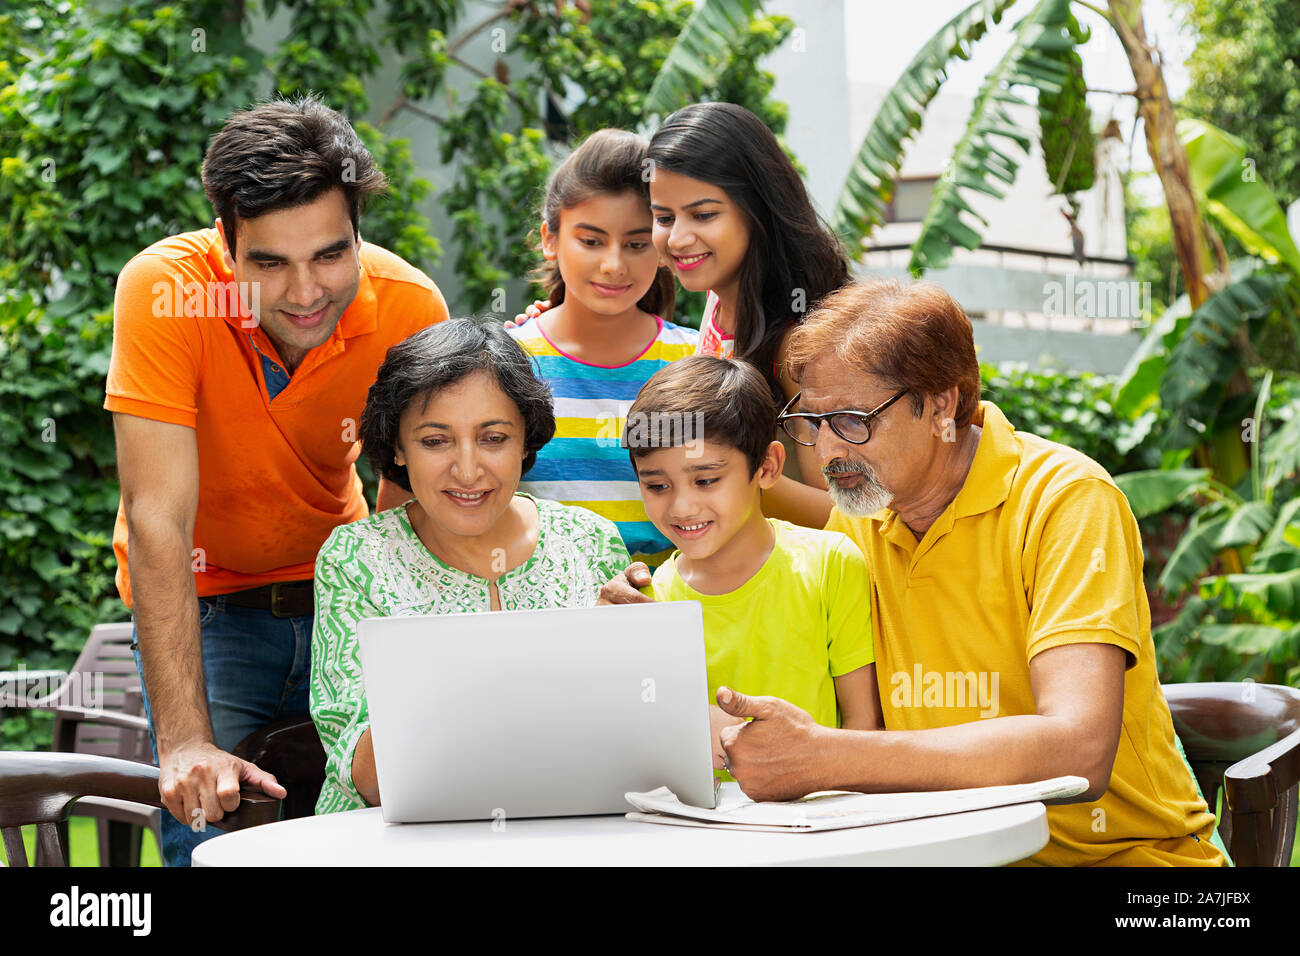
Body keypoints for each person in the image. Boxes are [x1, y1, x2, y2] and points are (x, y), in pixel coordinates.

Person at [602, 279, 1227, 867]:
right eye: (813, 424)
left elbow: (1077, 751)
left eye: (852, 421)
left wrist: (830, 757)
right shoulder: (860, 522)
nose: (827, 453)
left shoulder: (1065, 501)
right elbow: (754, 606)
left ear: (941, 405)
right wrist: (646, 634)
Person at [105, 95, 449, 865]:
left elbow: (409, 501)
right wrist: (188, 739)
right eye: (270, 263)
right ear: (226, 244)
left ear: (359, 232)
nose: (305, 292)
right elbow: (158, 516)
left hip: (342, 598)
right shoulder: (164, 291)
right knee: (209, 836)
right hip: (212, 610)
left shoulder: (409, 305)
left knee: (380, 834)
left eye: (330, 254)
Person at [311, 319, 632, 813]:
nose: (467, 469)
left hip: (563, 833)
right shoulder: (357, 559)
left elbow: (631, 740)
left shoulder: (589, 542)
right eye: (435, 441)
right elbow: (372, 779)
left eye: (493, 438)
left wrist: (627, 660)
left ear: (527, 440)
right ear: (397, 446)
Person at [623, 355, 881, 776]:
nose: (682, 506)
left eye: (706, 480)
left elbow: (863, 725)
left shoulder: (831, 564)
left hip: (821, 824)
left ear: (767, 467)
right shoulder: (651, 600)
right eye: (657, 485)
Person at [645, 102, 850, 529]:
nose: (678, 238)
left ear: (757, 211)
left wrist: (743, 475)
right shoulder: (717, 304)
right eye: (664, 217)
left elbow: (845, 517)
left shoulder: (802, 341)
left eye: (703, 214)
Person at [508, 129, 697, 566]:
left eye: (636, 244)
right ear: (550, 239)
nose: (614, 265)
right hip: (541, 616)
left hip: (668, 613)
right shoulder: (508, 364)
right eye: (591, 241)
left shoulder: (695, 362)